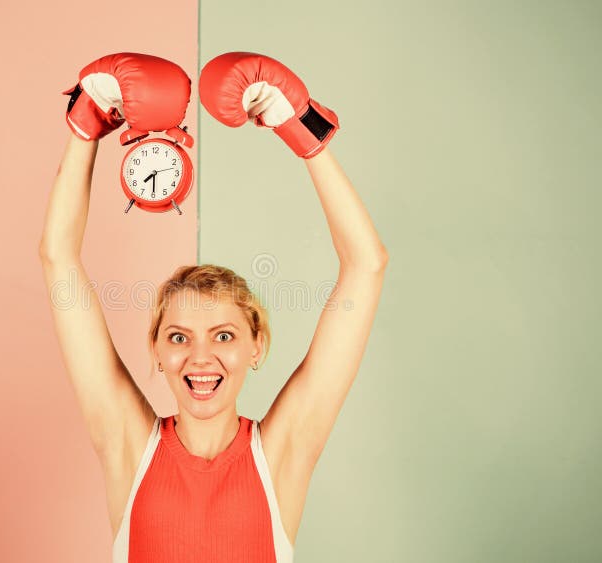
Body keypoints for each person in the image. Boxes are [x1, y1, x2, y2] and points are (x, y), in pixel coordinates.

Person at [39, 51, 388, 563]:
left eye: (223, 335)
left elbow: (367, 265)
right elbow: (58, 258)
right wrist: (85, 122)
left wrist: (302, 128)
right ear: (155, 351)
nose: (200, 358)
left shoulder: (281, 455)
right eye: (179, 337)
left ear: (256, 347)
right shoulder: (129, 445)